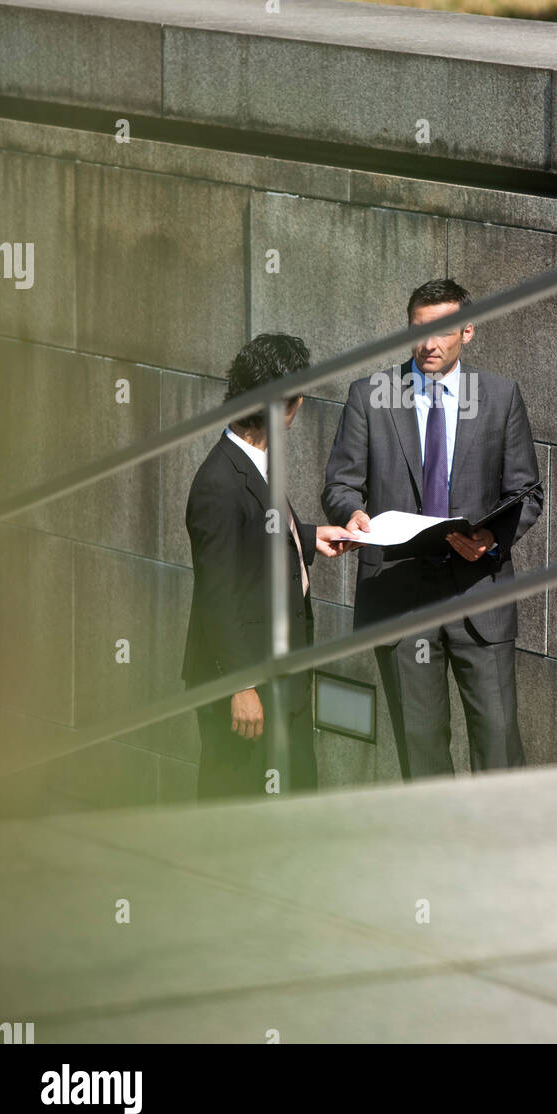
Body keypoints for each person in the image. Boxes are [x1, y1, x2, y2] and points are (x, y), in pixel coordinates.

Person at [322, 279, 543, 780]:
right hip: (400, 597)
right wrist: (352, 513)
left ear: (467, 330)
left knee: (499, 747)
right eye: (419, 332)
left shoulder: (501, 397)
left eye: (442, 331)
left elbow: (527, 493)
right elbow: (340, 484)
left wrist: (492, 538)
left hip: (478, 595)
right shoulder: (370, 397)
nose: (429, 345)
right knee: (421, 756)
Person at [182, 333, 350, 800]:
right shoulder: (220, 483)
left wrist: (313, 538)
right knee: (235, 806)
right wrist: (242, 685)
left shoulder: (255, 461)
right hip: (246, 680)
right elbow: (216, 594)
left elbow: (261, 537)